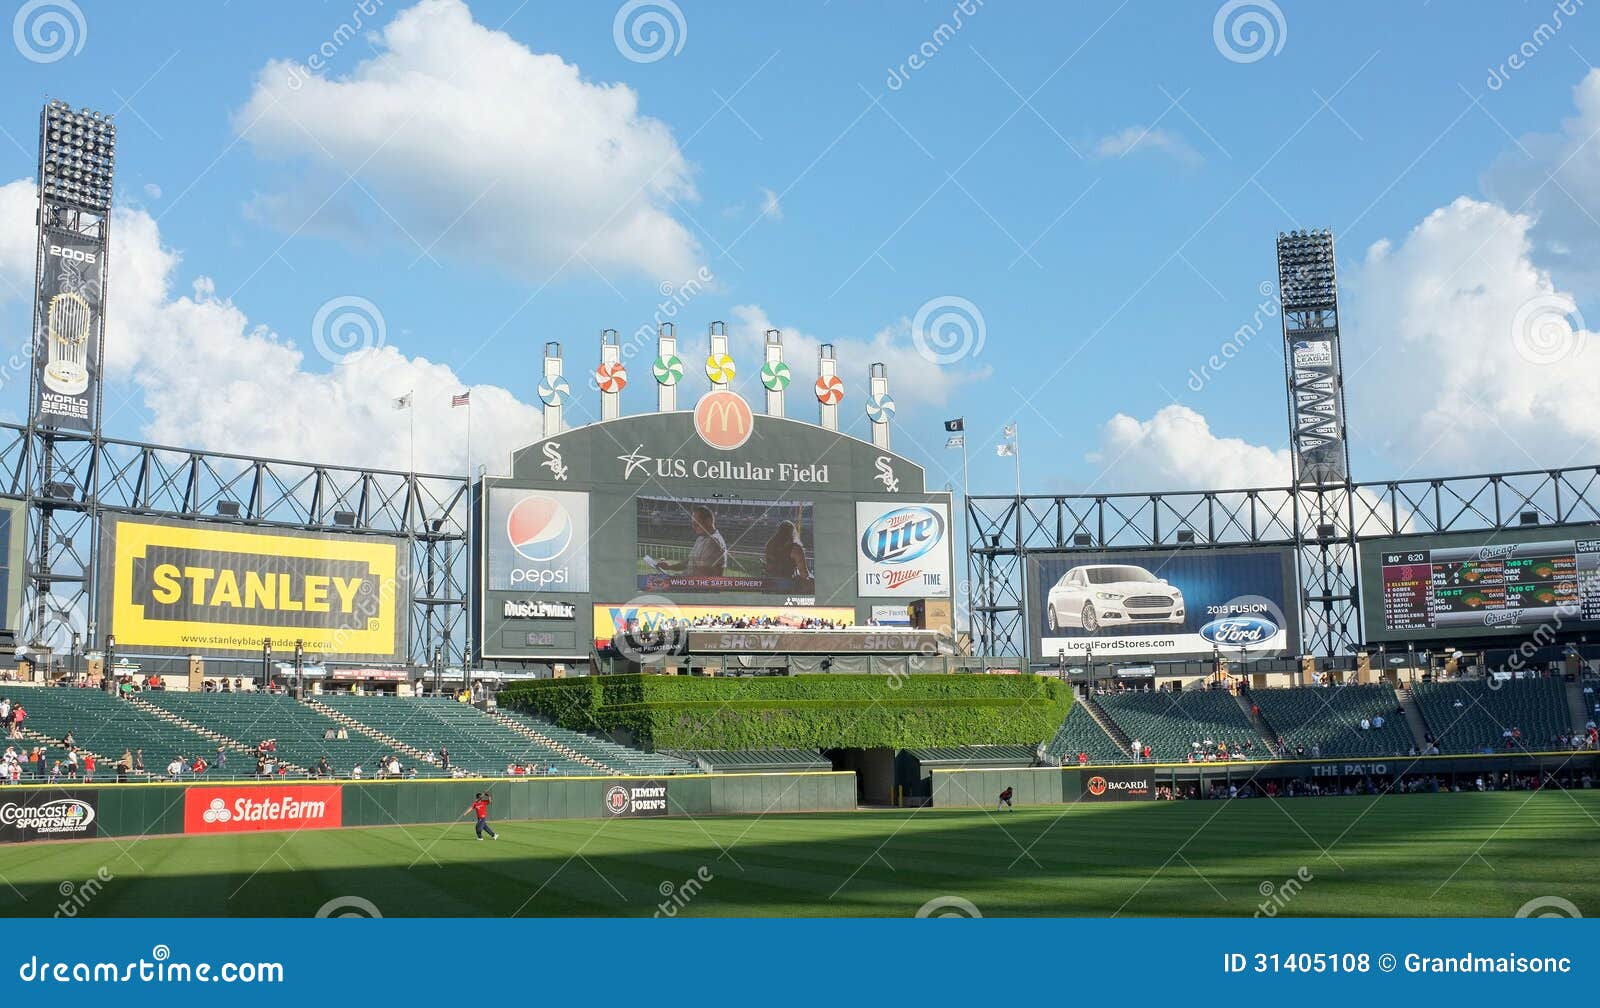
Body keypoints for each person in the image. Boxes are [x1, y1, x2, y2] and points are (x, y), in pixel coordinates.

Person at [657, 505, 728, 577]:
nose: (693, 526)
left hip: (695, 586)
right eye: (693, 523)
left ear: (708, 521)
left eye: (697, 523)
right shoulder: (701, 538)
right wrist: (669, 567)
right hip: (688, 584)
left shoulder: (713, 541)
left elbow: (701, 575)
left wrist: (675, 580)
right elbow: (688, 563)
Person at [762, 519, 814, 591]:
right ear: (793, 532)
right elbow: (804, 574)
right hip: (787, 583)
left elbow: (767, 564)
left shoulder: (769, 544)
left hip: (769, 580)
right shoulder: (795, 548)